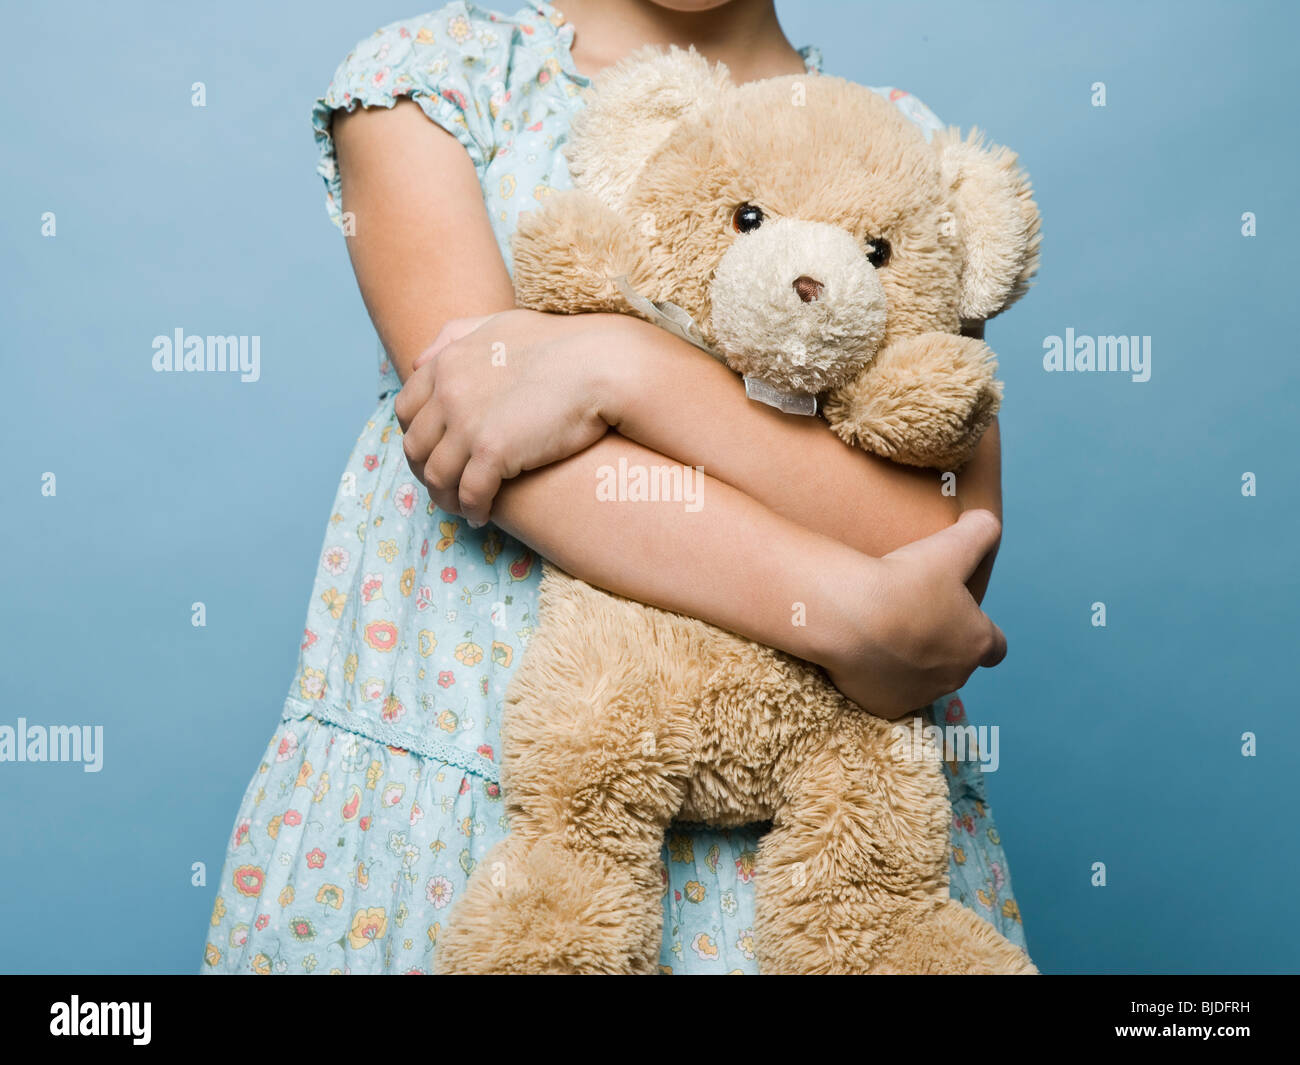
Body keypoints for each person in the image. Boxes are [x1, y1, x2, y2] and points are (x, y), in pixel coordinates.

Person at [202, 0, 1027, 975]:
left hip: (812, 842)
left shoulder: (902, 150)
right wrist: (843, 610)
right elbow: (478, 441)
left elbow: (939, 542)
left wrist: (615, 365)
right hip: (484, 785)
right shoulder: (439, 85)